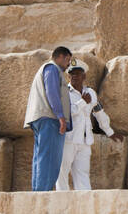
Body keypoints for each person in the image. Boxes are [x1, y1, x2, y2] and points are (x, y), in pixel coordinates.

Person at [56, 59, 119, 190]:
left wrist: (110, 132)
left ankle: (84, 206)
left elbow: (99, 113)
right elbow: (66, 113)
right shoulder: (64, 92)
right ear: (68, 75)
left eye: (78, 73)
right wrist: (82, 102)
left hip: (85, 141)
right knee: (62, 173)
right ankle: (63, 205)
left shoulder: (91, 93)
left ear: (84, 76)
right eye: (71, 73)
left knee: (83, 175)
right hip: (68, 140)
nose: (74, 76)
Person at [24, 46, 72, 192]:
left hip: (41, 119)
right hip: (50, 119)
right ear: (61, 57)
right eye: (68, 60)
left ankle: (38, 192)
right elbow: (52, 93)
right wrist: (61, 117)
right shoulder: (52, 69)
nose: (68, 64)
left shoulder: (46, 69)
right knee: (50, 159)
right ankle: (42, 193)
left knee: (41, 158)